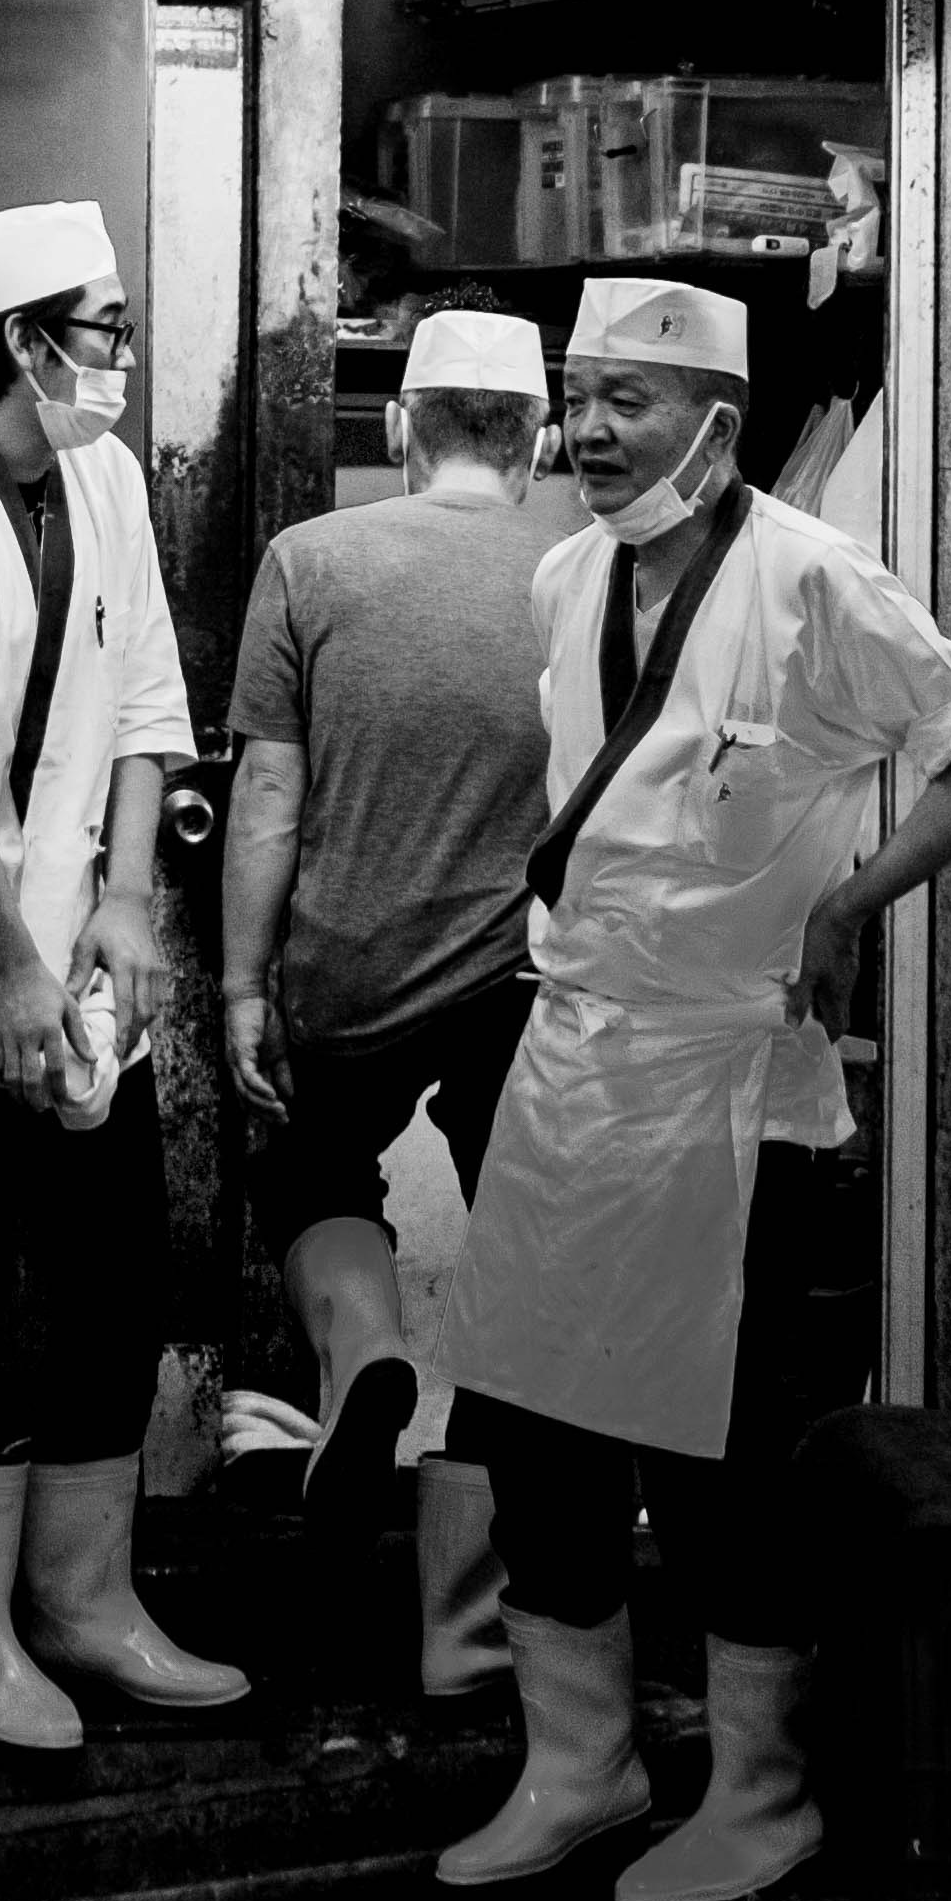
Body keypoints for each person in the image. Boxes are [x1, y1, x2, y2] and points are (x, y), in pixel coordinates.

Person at [436, 274, 951, 1901]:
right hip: (571, 1076)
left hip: (739, 1095)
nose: (587, 431)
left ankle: (761, 1797)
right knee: (539, 1444)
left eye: (624, 401)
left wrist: (849, 906)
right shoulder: (566, 576)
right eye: (576, 396)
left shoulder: (813, 579)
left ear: (717, 420)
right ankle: (580, 1769)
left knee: (720, 1470)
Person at [0, 198, 248, 1754]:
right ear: (22, 343)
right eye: (105, 331)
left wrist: (129, 906)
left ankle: (88, 1605)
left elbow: (147, 696)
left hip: (85, 960)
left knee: (113, 1283)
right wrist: (11, 969)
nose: (123, 357)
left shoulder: (106, 477)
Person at [221, 306, 571, 1696]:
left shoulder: (309, 560)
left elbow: (266, 790)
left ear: (394, 427)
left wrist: (242, 984)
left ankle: (361, 1347)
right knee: (526, 1280)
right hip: (525, 979)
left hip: (348, 964)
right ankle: (460, 1634)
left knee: (313, 1168)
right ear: (542, 441)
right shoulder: (588, 574)